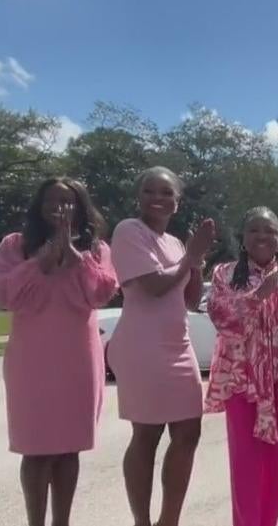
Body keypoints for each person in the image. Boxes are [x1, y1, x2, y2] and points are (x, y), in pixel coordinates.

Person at [0, 177, 118, 526]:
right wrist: (44, 257)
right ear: (39, 205)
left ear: (81, 207)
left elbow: (103, 292)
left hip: (78, 359)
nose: (60, 208)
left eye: (69, 201)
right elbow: (5, 295)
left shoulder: (97, 249)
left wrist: (74, 254)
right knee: (35, 451)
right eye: (52, 201)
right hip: (31, 362)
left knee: (67, 449)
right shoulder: (14, 246)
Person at [107, 166, 216, 526]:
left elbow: (188, 298)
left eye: (167, 192)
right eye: (150, 191)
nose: (159, 198)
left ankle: (168, 521)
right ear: (138, 197)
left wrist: (195, 260)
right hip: (142, 347)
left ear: (177, 201)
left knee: (189, 432)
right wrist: (190, 257)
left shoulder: (175, 243)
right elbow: (154, 286)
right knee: (148, 434)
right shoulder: (128, 231)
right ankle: (142, 521)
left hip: (177, 345)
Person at [204, 206, 278, 526]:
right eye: (255, 229)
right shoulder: (225, 273)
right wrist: (258, 295)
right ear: (243, 238)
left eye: (270, 230)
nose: (263, 236)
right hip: (241, 381)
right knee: (245, 464)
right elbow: (220, 315)